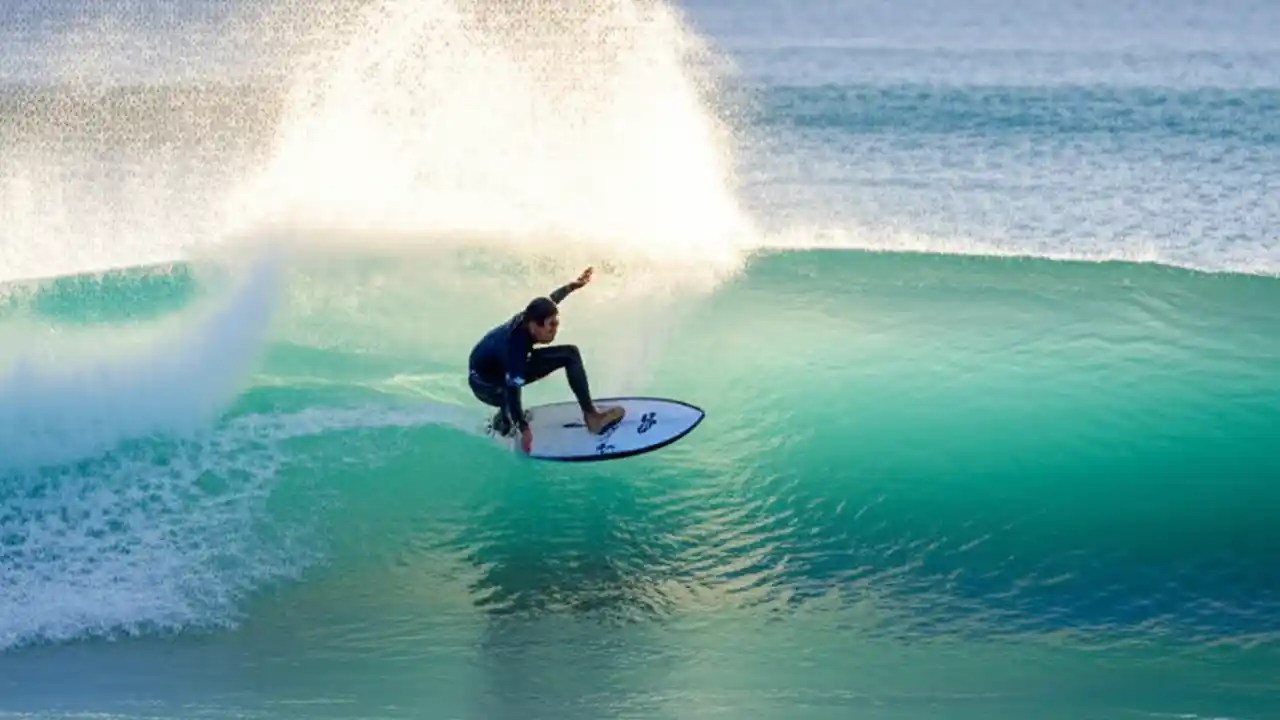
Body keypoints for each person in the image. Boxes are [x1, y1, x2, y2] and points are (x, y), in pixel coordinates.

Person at [468, 267, 625, 453]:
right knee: (568, 356)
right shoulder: (516, 346)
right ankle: (592, 419)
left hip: (490, 371)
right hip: (487, 388)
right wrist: (524, 428)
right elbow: (512, 389)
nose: (555, 329)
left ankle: (504, 420)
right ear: (535, 326)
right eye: (551, 325)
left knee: (566, 354)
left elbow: (552, 300)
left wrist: (572, 286)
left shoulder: (531, 316)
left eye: (556, 323)